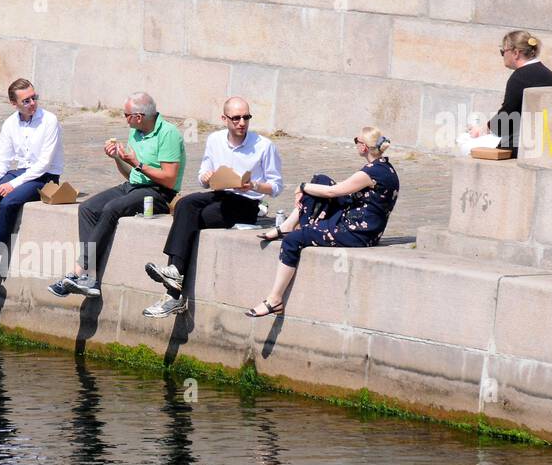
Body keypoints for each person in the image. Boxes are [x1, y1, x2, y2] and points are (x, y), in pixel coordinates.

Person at [142, 96, 282, 319]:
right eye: (236, 118)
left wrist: (253, 185)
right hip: (219, 193)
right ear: (224, 119)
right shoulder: (215, 140)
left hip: (247, 202)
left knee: (195, 217)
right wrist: (206, 177)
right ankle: (175, 276)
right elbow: (203, 176)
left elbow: (276, 186)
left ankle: (173, 294)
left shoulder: (264, 146)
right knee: (185, 204)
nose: (242, 123)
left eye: (246, 117)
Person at [247, 126, 400, 318]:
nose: (355, 144)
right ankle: (287, 226)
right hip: (356, 218)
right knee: (321, 180)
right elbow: (334, 189)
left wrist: (302, 186)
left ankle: (274, 300)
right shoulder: (383, 167)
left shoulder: (370, 173)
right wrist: (309, 188)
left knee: (293, 241)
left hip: (357, 233)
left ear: (363, 147)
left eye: (356, 140)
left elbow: (333, 193)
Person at [47, 92, 184, 300]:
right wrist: (118, 159)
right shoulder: (136, 132)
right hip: (133, 185)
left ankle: (78, 272)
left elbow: (169, 179)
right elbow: (131, 174)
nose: (124, 118)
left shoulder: (168, 134)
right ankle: (90, 278)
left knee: (112, 208)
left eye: (126, 115)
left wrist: (137, 163)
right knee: (88, 208)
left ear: (139, 116)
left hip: (158, 192)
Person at [0, 79, 64, 287]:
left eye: (34, 98)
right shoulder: (10, 123)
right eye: (26, 101)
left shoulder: (49, 121)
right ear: (13, 103)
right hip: (21, 173)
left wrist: (12, 185)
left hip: (45, 177)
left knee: (9, 202)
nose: (33, 103)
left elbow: (43, 164)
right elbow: (3, 160)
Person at [467, 29, 552, 158]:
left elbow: (506, 120)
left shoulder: (520, 77)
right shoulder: (548, 74)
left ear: (516, 53)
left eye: (503, 52)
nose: (502, 56)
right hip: (550, 140)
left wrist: (482, 129)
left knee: (466, 145)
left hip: (524, 144)